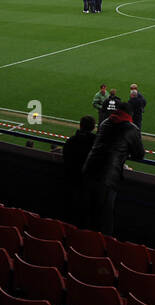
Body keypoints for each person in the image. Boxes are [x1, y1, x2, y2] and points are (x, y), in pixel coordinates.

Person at [80, 99, 145, 233]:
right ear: (130, 114)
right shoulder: (132, 128)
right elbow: (139, 154)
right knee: (104, 219)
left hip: (88, 171)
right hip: (107, 178)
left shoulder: (104, 123)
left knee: (86, 214)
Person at [62, 117, 97, 224]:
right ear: (93, 127)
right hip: (88, 183)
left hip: (71, 180)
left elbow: (66, 157)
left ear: (80, 125)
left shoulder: (71, 140)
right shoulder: (96, 143)